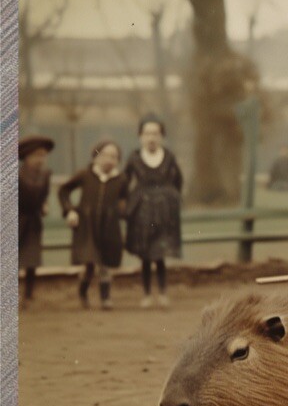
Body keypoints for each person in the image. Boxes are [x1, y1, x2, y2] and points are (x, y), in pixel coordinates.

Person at [59, 139, 129, 310]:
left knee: (105, 265)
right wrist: (70, 210)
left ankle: (105, 299)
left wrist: (121, 209)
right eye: (105, 155)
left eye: (114, 156)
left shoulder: (120, 179)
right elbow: (64, 190)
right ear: (95, 157)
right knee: (89, 264)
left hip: (108, 228)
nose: (109, 160)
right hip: (87, 226)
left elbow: (124, 200)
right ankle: (83, 293)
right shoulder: (85, 174)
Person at [124, 114, 183, 308]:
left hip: (164, 211)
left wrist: (171, 197)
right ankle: (147, 294)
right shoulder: (134, 157)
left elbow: (178, 180)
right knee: (146, 255)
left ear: (161, 136)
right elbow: (125, 182)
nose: (151, 138)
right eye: (147, 133)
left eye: (155, 133)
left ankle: (163, 292)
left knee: (160, 253)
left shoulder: (168, 156)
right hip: (142, 211)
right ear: (141, 136)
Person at [18, 134, 55, 308]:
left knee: (31, 259)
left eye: (43, 155)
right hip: (16, 220)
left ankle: (28, 295)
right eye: (37, 155)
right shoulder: (15, 174)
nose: (41, 159)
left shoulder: (46, 174)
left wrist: (44, 206)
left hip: (33, 221)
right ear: (27, 155)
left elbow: (45, 195)